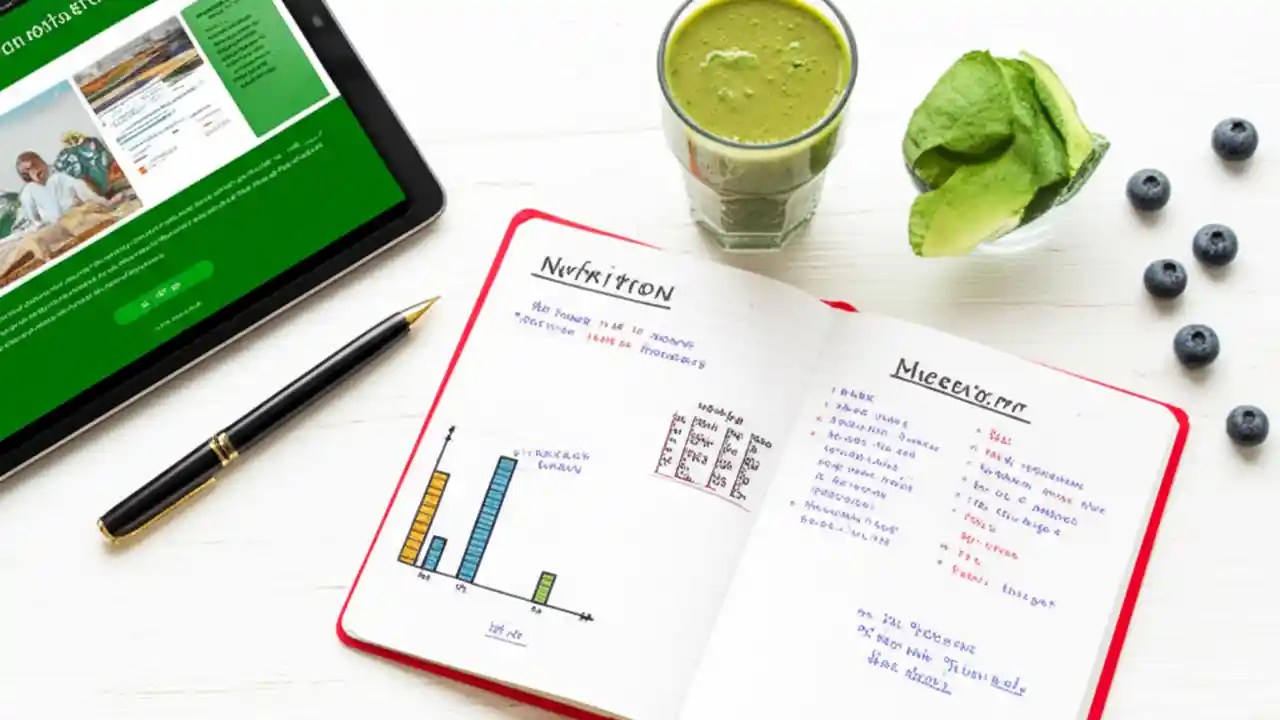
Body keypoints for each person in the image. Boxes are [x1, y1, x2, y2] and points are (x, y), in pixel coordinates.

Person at [13, 150, 122, 229]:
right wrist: (39, 225)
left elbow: (79, 187)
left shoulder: (58, 178)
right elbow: (32, 215)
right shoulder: (29, 191)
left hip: (71, 213)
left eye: (35, 165)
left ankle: (105, 204)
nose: (34, 170)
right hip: (52, 225)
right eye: (27, 171)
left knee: (78, 185)